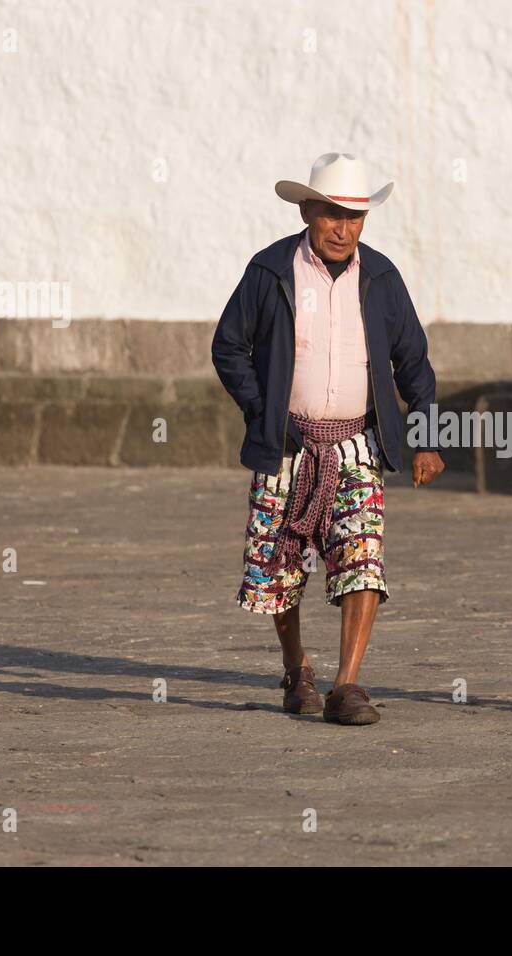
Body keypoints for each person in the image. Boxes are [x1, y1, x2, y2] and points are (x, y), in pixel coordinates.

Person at [212, 152, 445, 726]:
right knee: (281, 565)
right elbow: (229, 347)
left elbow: (413, 363)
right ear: (309, 211)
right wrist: (264, 412)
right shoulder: (270, 272)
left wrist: (428, 436)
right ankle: (296, 669)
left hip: (358, 446)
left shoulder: (383, 279)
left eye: (356, 217)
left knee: (362, 556)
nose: (344, 229)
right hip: (286, 446)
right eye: (333, 215)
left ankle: (348, 684)